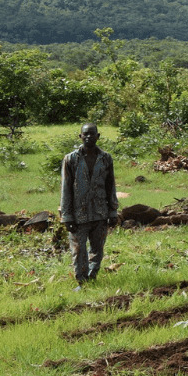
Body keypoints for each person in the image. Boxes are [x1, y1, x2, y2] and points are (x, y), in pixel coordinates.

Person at [59, 123, 118, 289]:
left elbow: (110, 185)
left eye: (92, 134)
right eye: (85, 134)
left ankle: (92, 277)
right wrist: (67, 216)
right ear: (80, 137)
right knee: (78, 251)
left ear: (98, 136)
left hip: (100, 212)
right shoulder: (70, 159)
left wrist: (113, 211)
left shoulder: (106, 158)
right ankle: (81, 281)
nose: (89, 137)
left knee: (97, 249)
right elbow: (66, 189)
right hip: (79, 214)